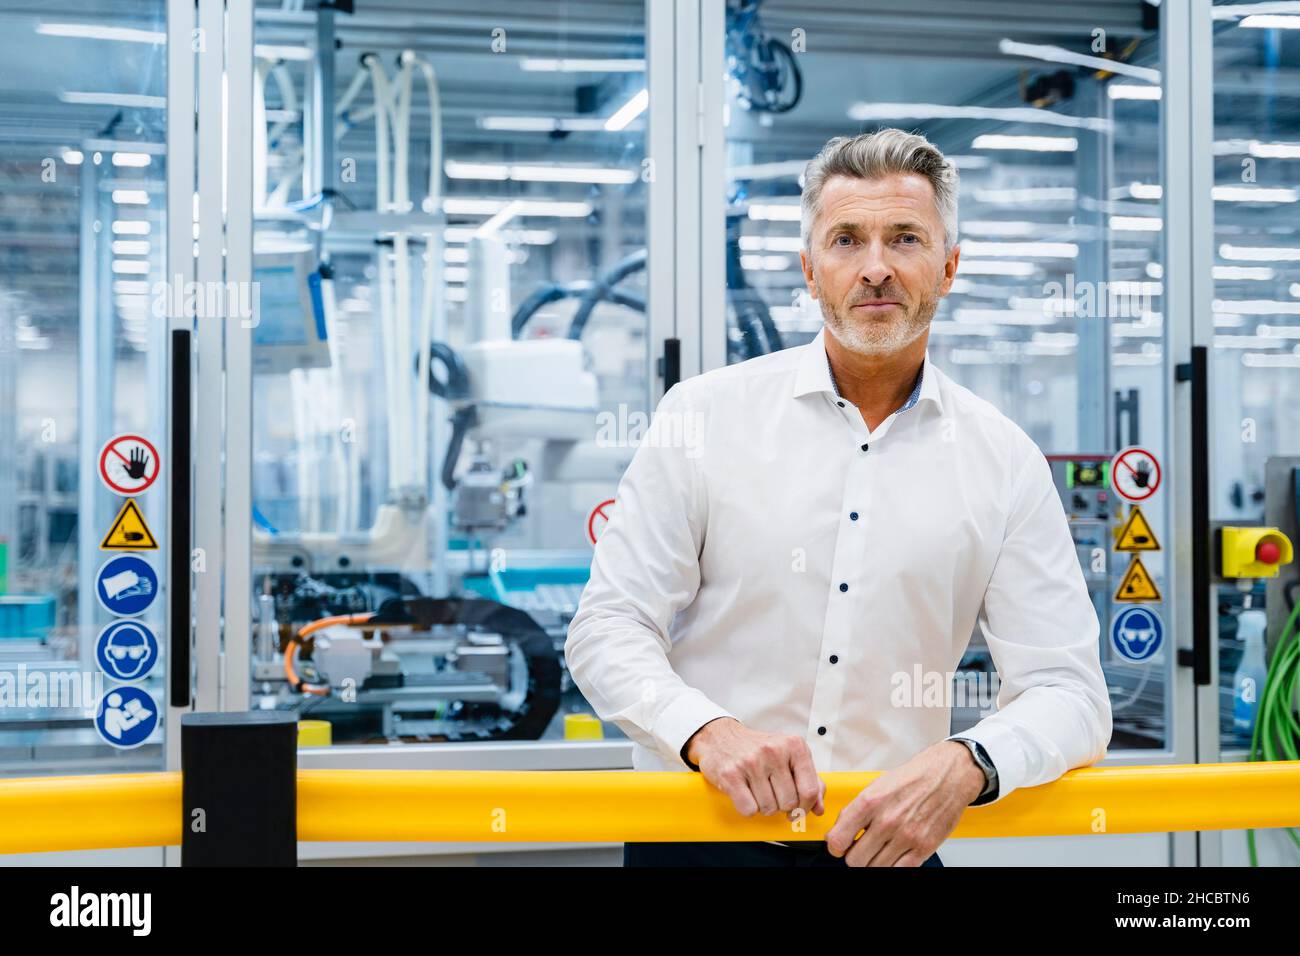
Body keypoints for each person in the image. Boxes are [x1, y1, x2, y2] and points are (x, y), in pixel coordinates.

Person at [565, 128, 1112, 867]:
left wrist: (969, 762)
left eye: (906, 239)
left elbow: (1069, 691)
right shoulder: (704, 417)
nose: (876, 268)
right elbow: (608, 628)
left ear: (948, 267)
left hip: (890, 849)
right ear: (810, 270)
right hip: (697, 838)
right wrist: (705, 730)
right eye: (847, 240)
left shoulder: (1003, 459)